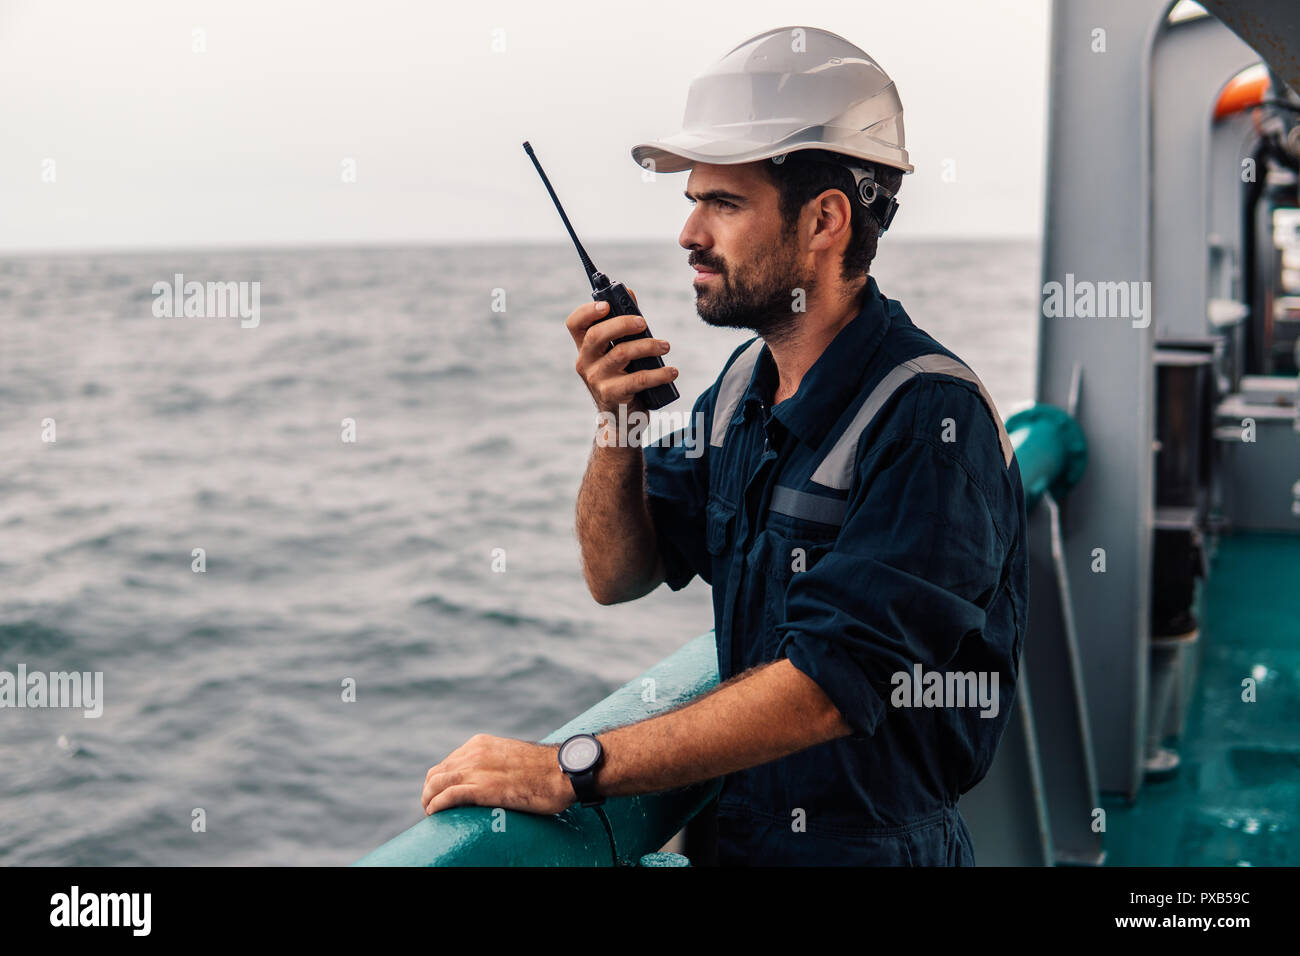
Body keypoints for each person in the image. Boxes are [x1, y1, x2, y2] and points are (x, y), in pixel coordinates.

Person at [421, 26, 1028, 867]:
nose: (689, 234)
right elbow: (617, 575)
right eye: (692, 201)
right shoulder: (745, 385)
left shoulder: (929, 422)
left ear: (825, 220)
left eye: (725, 204)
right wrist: (617, 428)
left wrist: (571, 768)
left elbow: (825, 688)